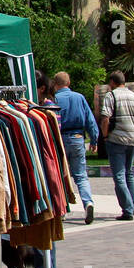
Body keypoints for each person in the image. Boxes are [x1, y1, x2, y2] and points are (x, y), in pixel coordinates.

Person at [100, 71, 134, 221]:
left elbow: (106, 118)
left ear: (112, 82)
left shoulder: (111, 96)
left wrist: (105, 136)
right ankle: (132, 205)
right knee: (129, 173)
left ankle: (127, 209)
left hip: (117, 139)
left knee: (119, 175)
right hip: (133, 139)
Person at [52, 71, 98, 225]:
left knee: (61, 174)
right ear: (69, 83)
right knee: (81, 175)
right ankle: (88, 202)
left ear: (55, 84)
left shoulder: (55, 99)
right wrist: (94, 139)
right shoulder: (79, 98)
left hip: (60, 138)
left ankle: (63, 209)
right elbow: (90, 120)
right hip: (78, 138)